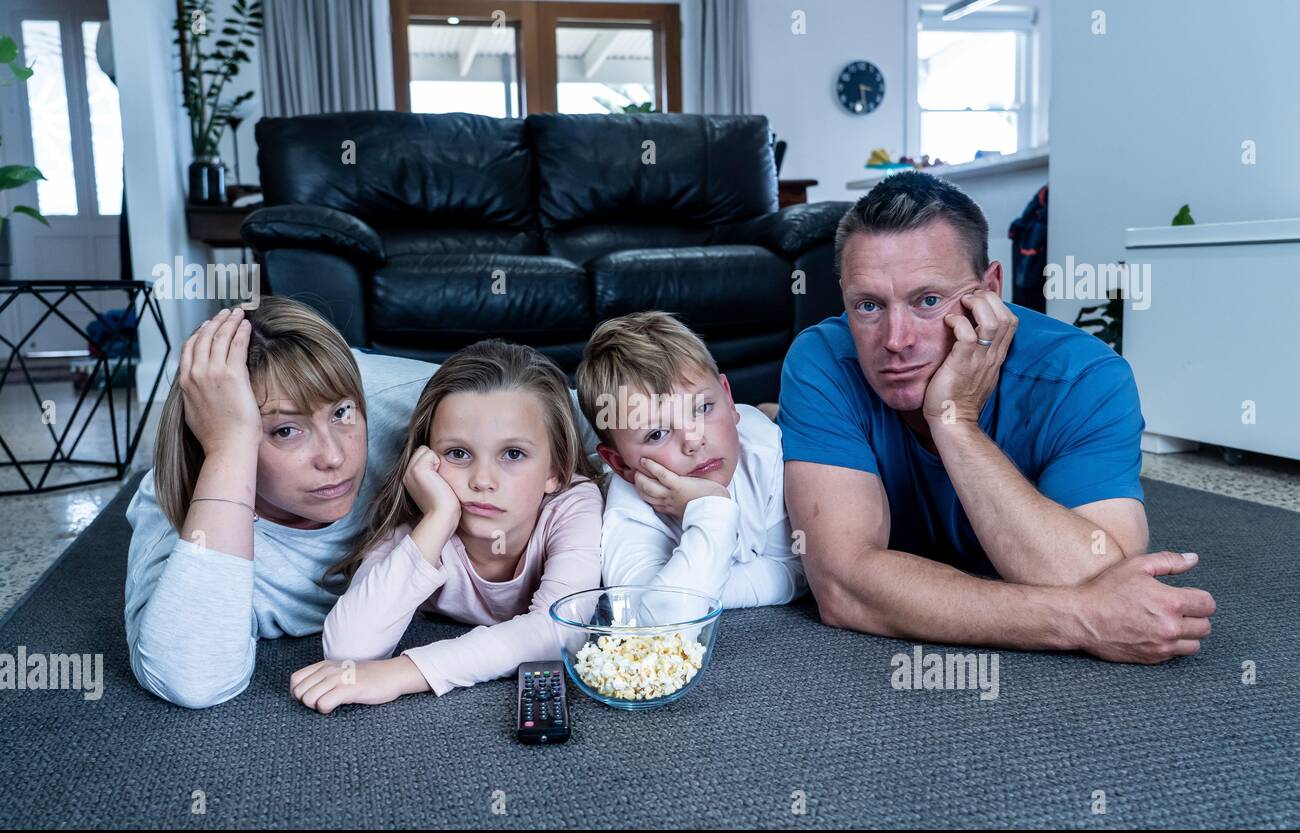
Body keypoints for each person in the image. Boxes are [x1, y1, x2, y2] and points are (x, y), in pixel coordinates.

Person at [779, 172, 1215, 664]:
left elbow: (1096, 571)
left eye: (927, 301)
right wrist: (1081, 618)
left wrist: (954, 422)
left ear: (989, 289)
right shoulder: (822, 359)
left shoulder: (1085, 377)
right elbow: (844, 587)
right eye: (868, 305)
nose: (896, 340)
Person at [124, 298, 436, 708]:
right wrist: (229, 449)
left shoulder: (403, 406)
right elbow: (190, 678)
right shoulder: (177, 515)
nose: (334, 457)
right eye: (286, 430)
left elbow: (532, 405)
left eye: (342, 412)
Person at [291, 340, 602, 713]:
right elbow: (348, 650)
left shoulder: (572, 504)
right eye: (458, 453)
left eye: (513, 454)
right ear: (425, 461)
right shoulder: (420, 527)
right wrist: (438, 517)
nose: (482, 480)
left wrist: (403, 674)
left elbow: (560, 630)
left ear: (555, 471)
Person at [575, 311, 804, 609]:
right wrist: (712, 509)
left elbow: (796, 571)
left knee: (784, 422)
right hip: (598, 460)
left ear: (728, 399)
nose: (693, 439)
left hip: (754, 421)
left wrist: (702, 593)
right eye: (657, 433)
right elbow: (661, 621)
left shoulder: (765, 448)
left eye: (703, 408)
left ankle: (766, 408)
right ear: (621, 465)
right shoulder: (626, 511)